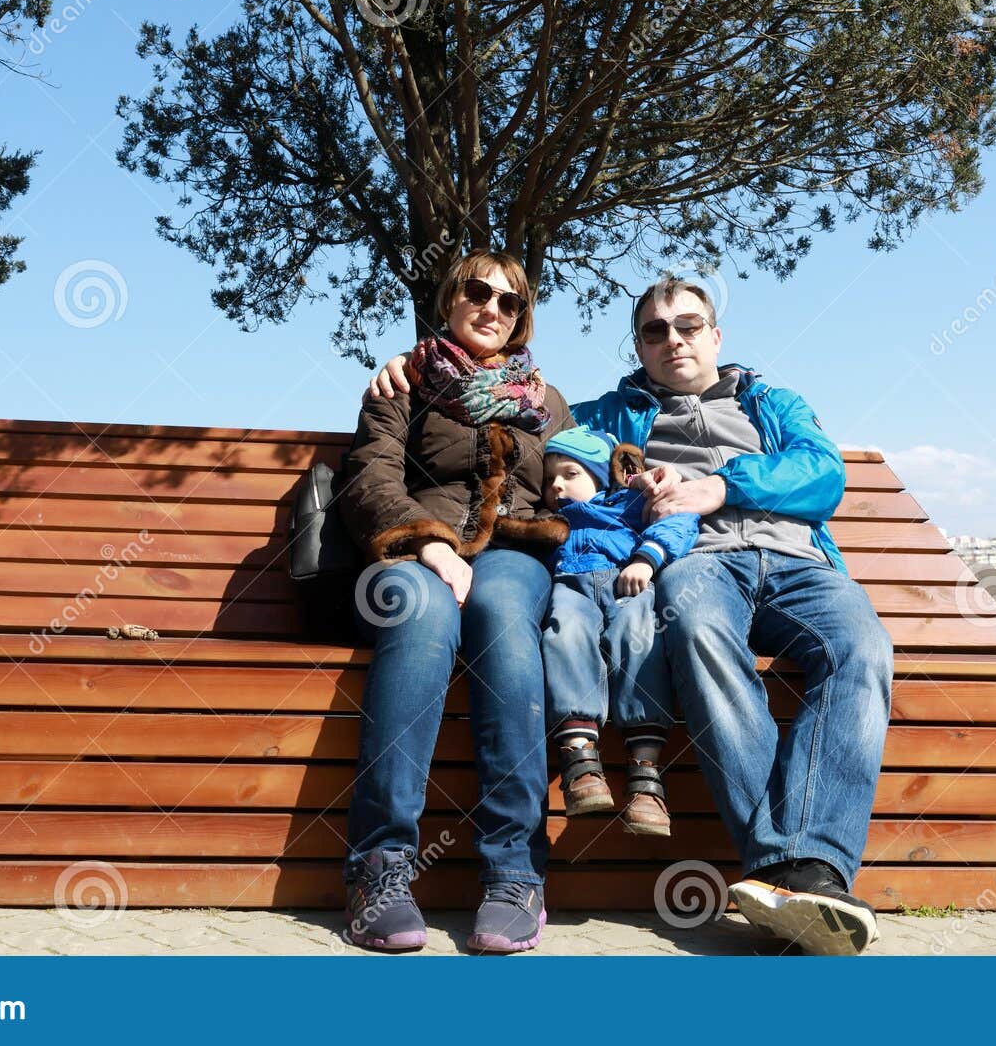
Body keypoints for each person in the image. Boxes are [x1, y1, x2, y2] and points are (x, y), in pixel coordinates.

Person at [367, 274, 894, 956]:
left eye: (689, 325)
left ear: (715, 335)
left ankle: (803, 867)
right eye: (655, 330)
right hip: (695, 561)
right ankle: (790, 867)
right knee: (698, 633)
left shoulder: (770, 401)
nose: (674, 339)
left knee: (862, 649)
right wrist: (412, 363)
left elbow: (823, 474)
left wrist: (720, 484)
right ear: (639, 346)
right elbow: (528, 423)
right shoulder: (611, 414)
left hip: (799, 560)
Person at [336, 250, 572, 954]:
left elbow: (579, 477)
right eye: (477, 291)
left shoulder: (548, 402)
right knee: (421, 609)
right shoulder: (403, 383)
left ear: (521, 318)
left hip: (515, 552)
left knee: (501, 610)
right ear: (450, 299)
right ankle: (379, 866)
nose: (491, 308)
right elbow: (368, 475)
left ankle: (514, 872)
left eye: (509, 301)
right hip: (414, 550)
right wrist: (429, 543)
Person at [538, 426, 698, 837]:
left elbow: (679, 521)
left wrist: (646, 559)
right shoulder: (550, 522)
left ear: (599, 477)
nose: (557, 486)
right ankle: (580, 758)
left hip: (628, 583)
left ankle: (645, 771)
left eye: (570, 474)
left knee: (640, 637)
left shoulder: (629, 503)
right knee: (564, 631)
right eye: (550, 478)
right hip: (570, 586)